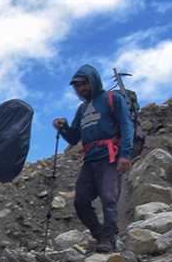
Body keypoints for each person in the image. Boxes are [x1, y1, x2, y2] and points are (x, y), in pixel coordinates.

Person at [54, 64, 134, 251]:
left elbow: (127, 126)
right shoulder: (82, 108)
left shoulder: (112, 98)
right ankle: (100, 235)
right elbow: (75, 137)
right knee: (80, 201)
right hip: (89, 158)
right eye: (78, 86)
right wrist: (63, 128)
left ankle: (109, 236)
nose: (82, 88)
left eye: (85, 83)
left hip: (110, 155)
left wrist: (125, 154)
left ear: (93, 81)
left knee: (108, 197)